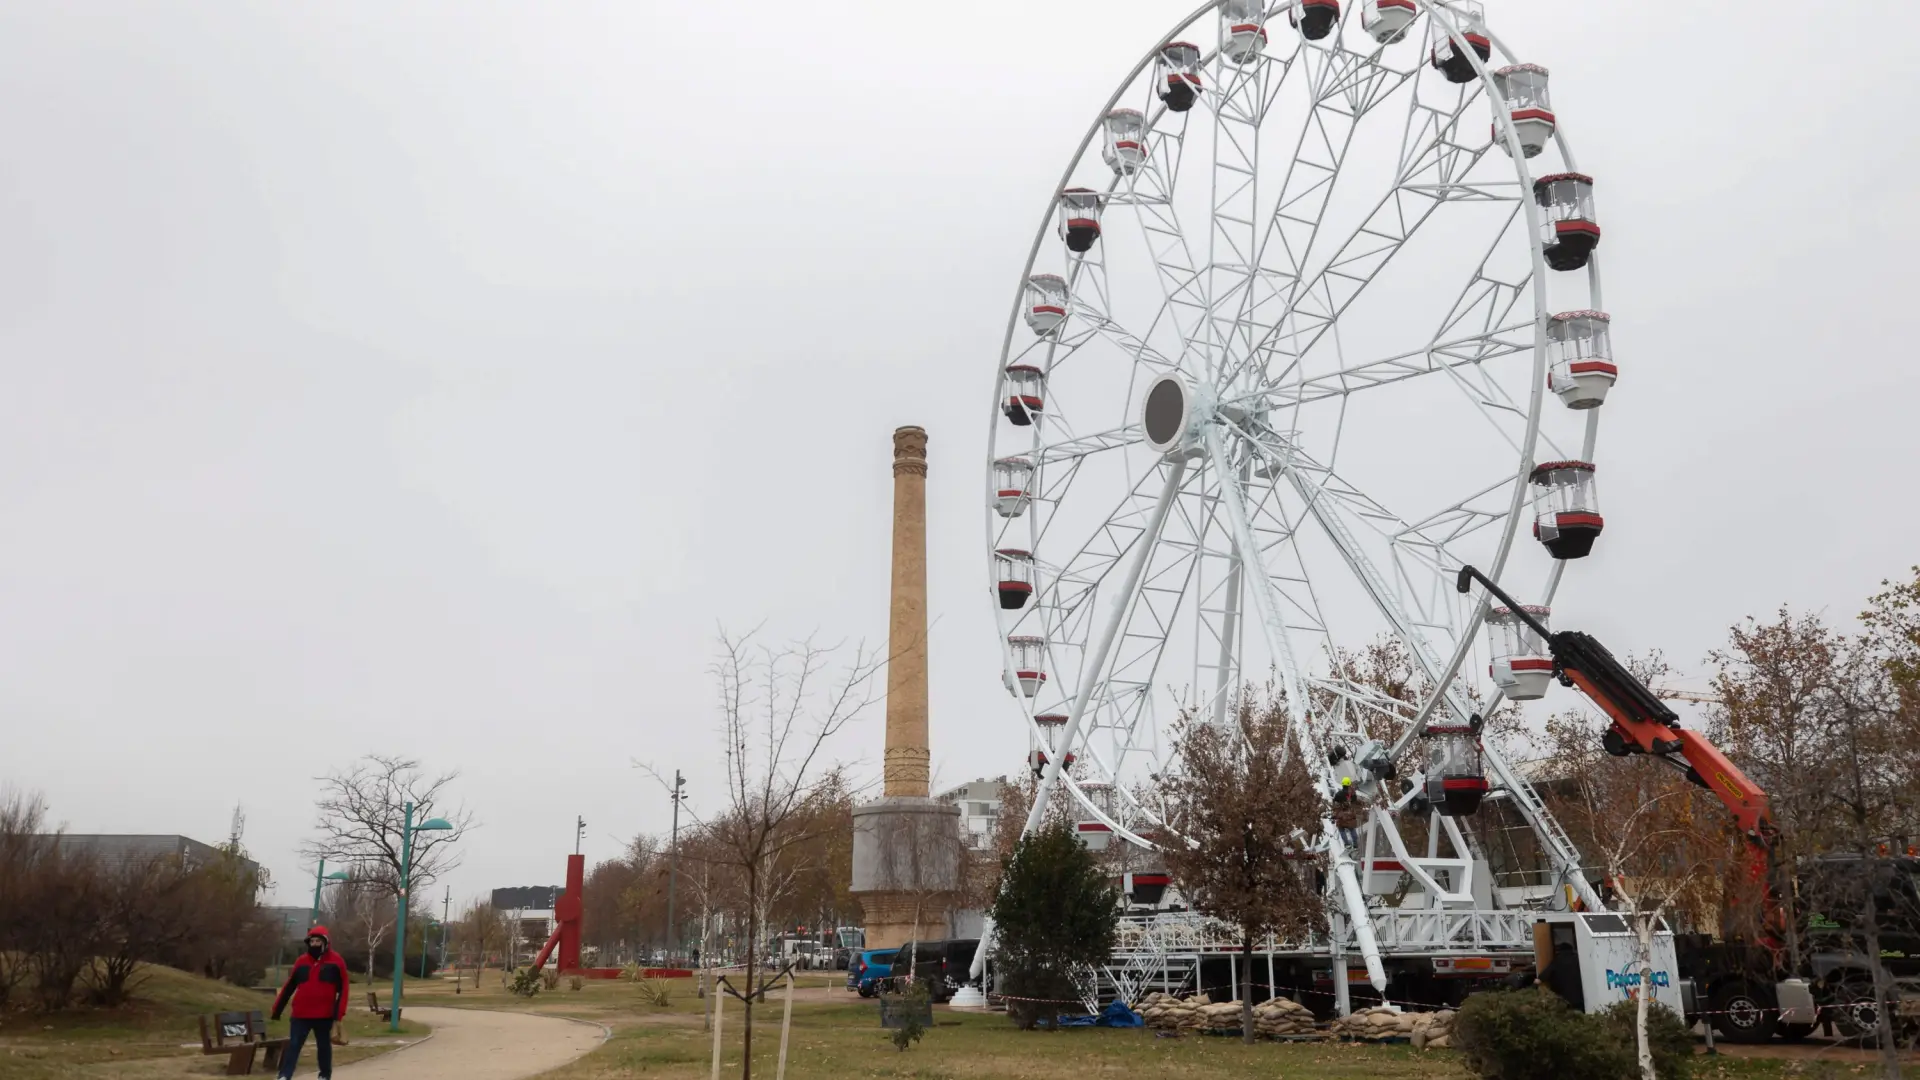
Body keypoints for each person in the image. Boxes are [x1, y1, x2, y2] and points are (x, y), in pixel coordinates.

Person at [270, 926, 350, 1079]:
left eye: (318, 941)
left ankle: (324, 1075)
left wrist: (338, 1014)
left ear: (325, 942)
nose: (314, 944)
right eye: (312, 941)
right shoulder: (301, 961)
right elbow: (289, 986)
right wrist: (277, 1009)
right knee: (294, 1045)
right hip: (300, 1014)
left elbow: (344, 989)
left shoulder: (336, 961)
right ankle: (285, 1075)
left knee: (324, 1047)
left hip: (324, 1015)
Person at [1332, 776, 1364, 850]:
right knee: (1352, 830)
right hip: (1350, 816)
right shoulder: (1352, 795)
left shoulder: (1338, 794)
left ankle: (1347, 844)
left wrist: (1334, 815)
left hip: (1341, 817)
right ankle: (1355, 845)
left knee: (1341, 829)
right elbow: (1355, 803)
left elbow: (1335, 805)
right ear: (1349, 785)